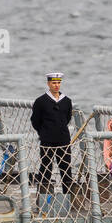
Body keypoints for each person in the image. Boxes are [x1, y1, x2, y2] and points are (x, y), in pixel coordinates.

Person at [31, 72, 75, 201]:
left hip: (63, 139)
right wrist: (44, 132)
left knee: (66, 168)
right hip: (47, 140)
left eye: (58, 83)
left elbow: (67, 118)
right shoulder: (40, 101)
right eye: (54, 83)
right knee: (46, 167)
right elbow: (35, 121)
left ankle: (69, 198)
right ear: (48, 84)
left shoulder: (67, 101)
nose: (56, 85)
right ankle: (43, 199)